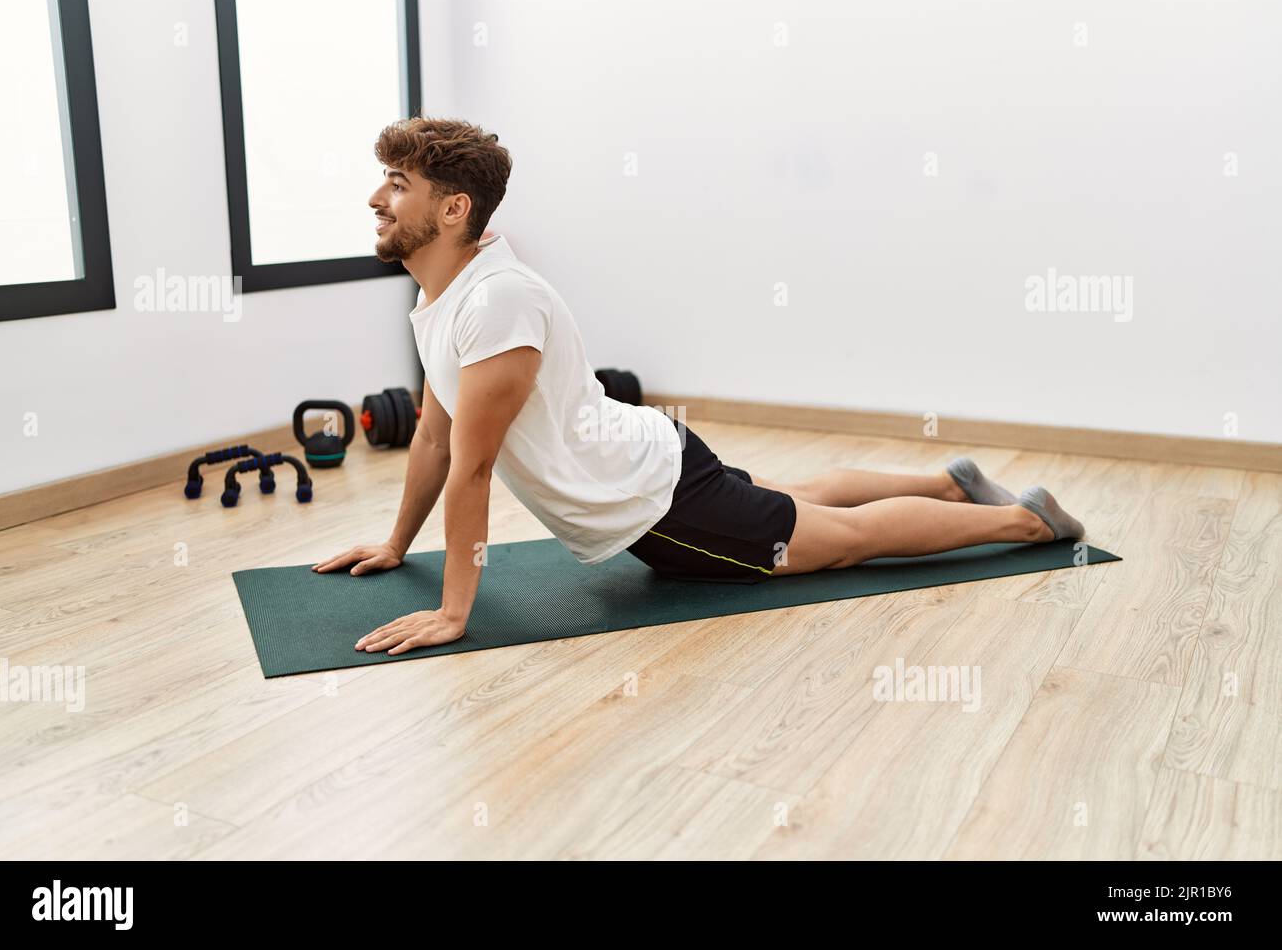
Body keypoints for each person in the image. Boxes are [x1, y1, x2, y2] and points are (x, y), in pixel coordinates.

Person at [313, 118, 1085, 655]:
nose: (377, 200)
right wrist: (394, 543)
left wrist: (454, 612)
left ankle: (1024, 524)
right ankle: (948, 484)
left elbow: (473, 468)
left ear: (452, 208)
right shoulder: (444, 299)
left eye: (397, 184)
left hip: (658, 503)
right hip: (654, 458)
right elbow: (434, 438)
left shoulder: (496, 301)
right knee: (796, 495)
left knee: (845, 544)